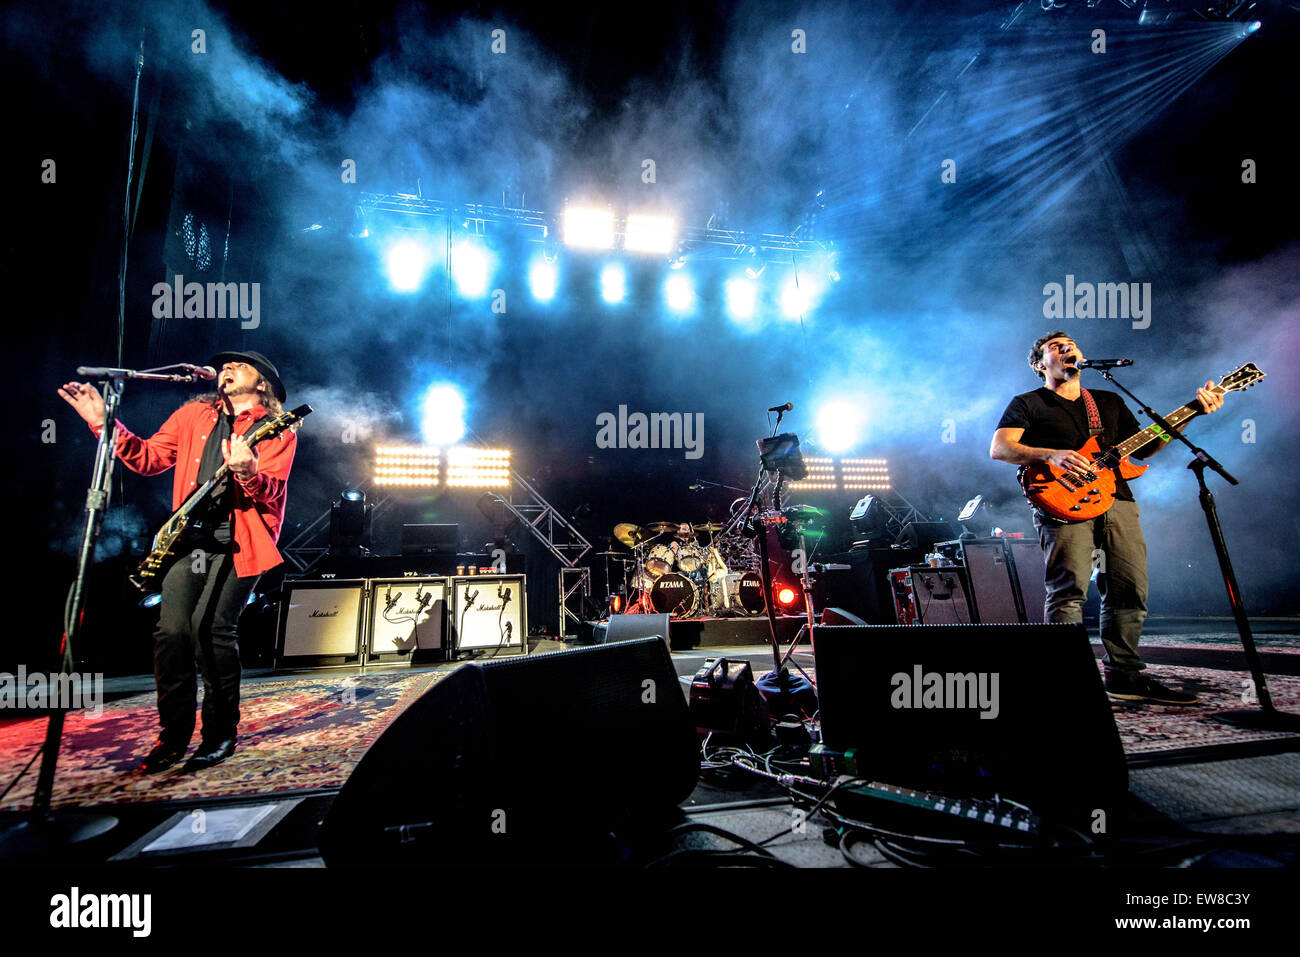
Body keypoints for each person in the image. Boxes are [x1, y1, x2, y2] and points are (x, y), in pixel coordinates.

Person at [59, 351, 297, 771]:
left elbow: (272, 490)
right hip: (187, 542)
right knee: (171, 634)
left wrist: (247, 471)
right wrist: (103, 424)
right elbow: (147, 458)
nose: (227, 369)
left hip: (241, 542)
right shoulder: (193, 415)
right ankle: (172, 737)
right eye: (224, 365)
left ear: (262, 384)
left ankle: (219, 735)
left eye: (240, 366)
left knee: (212, 630)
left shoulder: (277, 429)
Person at [989, 331, 1222, 705]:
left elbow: (1144, 448)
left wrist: (1192, 411)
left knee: (1130, 588)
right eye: (1056, 347)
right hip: (1061, 503)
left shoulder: (1108, 401)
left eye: (1071, 344)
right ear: (1038, 364)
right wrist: (1050, 455)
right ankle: (1064, 684)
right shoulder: (1028, 403)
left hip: (1117, 500)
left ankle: (1124, 676)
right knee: (1069, 592)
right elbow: (1000, 448)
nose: (1067, 349)